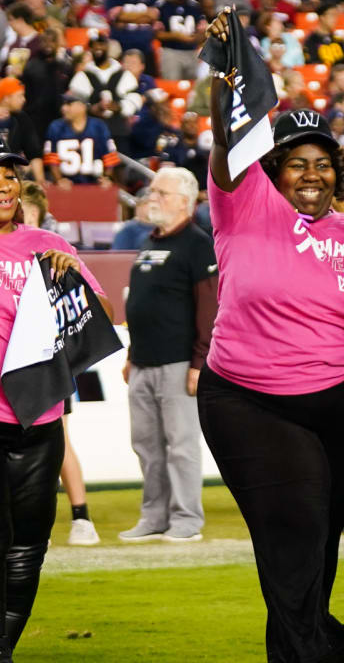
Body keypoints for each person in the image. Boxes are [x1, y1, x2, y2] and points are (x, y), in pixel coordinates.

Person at [197, 10, 344, 662]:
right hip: (249, 400)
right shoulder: (244, 204)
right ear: (273, 169)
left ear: (339, 171)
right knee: (293, 523)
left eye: (323, 163)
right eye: (296, 164)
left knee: (317, 536)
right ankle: (311, 649)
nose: (311, 175)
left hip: (342, 405)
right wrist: (225, 82)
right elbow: (226, 145)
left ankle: (303, 638)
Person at [0, 130, 108, 662]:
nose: (6, 186)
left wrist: (73, 279)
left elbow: (96, 317)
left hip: (41, 420)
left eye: (10, 174)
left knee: (27, 550)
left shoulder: (50, 246)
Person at [120, 167, 217, 543]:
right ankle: (155, 516)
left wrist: (199, 363)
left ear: (184, 200)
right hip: (143, 360)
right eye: (153, 191)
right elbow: (143, 306)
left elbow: (209, 309)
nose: (152, 197)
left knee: (180, 446)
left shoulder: (197, 244)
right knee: (146, 445)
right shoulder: (150, 241)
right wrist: (131, 353)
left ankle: (187, 519)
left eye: (161, 192)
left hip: (178, 364)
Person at [43, 92, 121, 188]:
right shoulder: (55, 127)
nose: (63, 108)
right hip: (66, 187)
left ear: (82, 106)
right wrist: (59, 180)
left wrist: (107, 178)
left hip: (94, 185)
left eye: (69, 104)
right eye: (64, 104)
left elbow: (110, 157)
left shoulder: (99, 126)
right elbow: (51, 158)